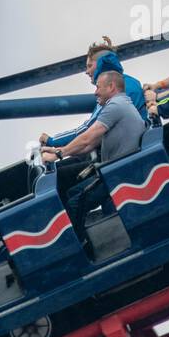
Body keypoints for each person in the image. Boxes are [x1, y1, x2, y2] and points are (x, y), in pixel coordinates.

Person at [40, 70, 146, 234]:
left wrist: (58, 155)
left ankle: (78, 248)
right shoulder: (121, 104)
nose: (95, 92)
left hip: (118, 174)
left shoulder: (115, 106)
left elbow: (87, 138)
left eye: (98, 87)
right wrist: (58, 150)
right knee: (72, 192)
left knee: (76, 203)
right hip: (114, 170)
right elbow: (89, 145)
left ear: (111, 87)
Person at [39, 36, 147, 150]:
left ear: (102, 64)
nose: (86, 71)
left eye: (90, 66)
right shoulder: (127, 83)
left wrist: (52, 141)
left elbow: (88, 130)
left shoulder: (120, 89)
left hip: (131, 151)